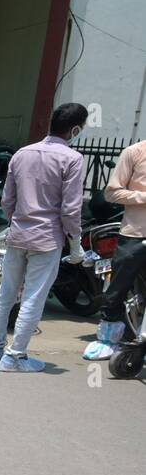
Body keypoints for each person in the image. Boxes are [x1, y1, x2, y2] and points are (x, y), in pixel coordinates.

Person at [0, 102, 87, 372]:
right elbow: (70, 209)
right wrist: (75, 244)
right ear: (75, 129)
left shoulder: (22, 153)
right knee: (33, 298)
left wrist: (17, 222)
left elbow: (7, 199)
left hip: (18, 234)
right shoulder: (72, 159)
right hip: (47, 239)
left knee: (6, 294)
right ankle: (15, 356)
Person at [83, 137, 146, 360]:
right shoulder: (134, 153)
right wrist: (143, 196)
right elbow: (112, 193)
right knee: (118, 288)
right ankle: (108, 340)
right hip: (136, 234)